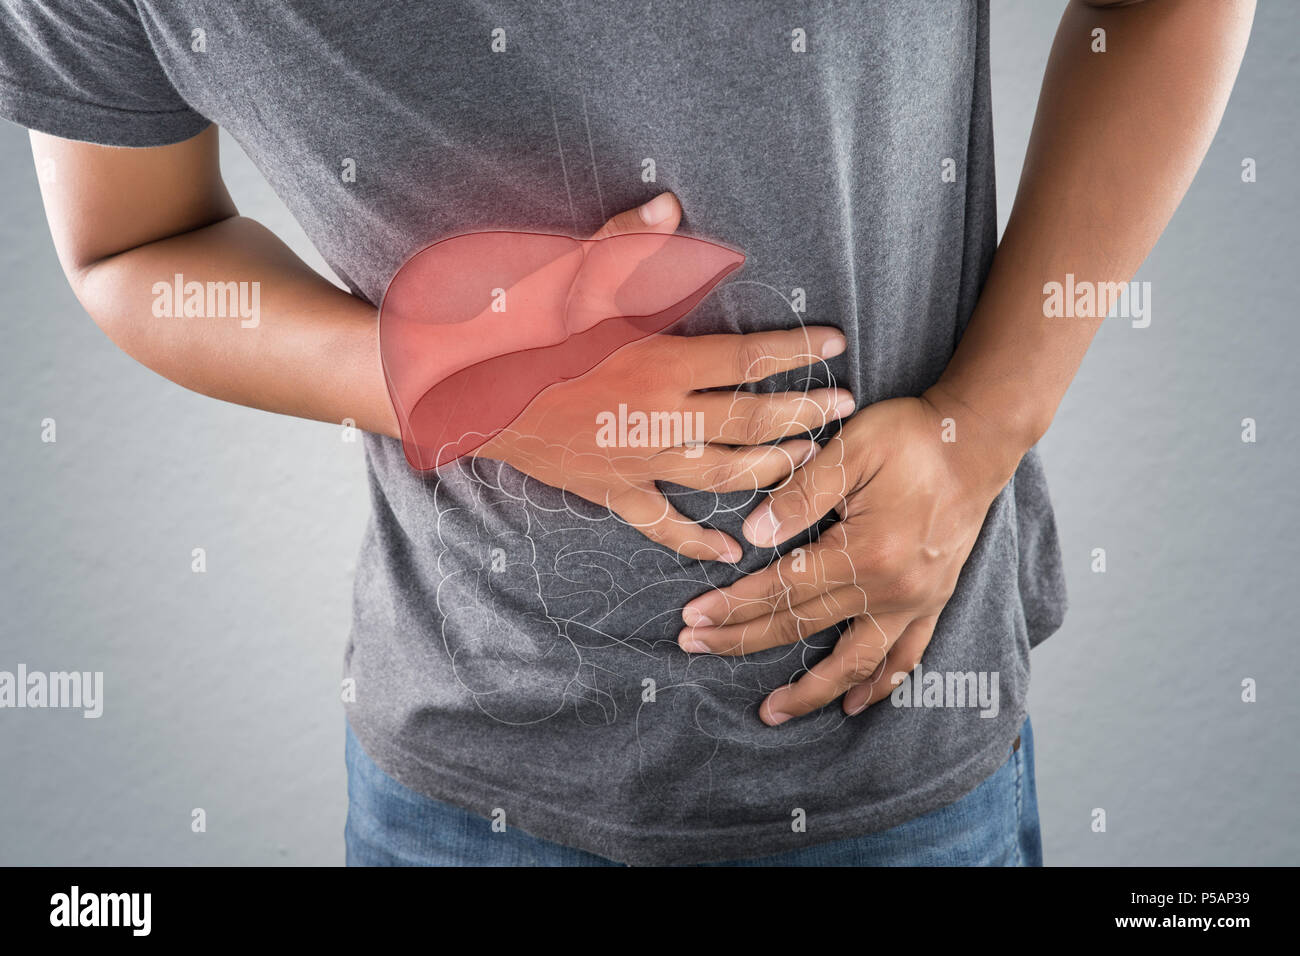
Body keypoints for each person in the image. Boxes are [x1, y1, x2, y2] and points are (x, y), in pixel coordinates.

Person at [0, 0, 1253, 866]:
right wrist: (460, 382)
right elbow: (131, 244)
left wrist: (985, 427)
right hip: (461, 778)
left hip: (893, 765)